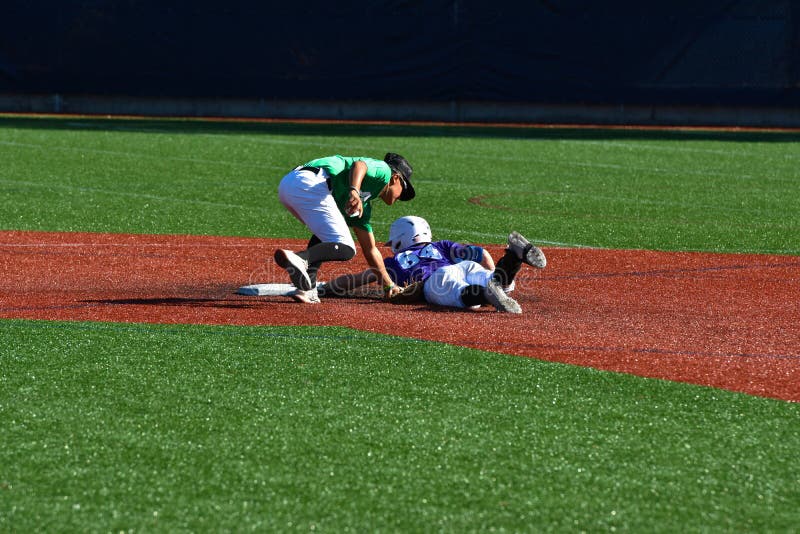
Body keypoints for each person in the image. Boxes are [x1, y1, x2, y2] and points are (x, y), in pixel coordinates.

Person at [296, 215, 547, 313]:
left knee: (465, 299)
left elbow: (357, 279)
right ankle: (513, 259)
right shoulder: (442, 246)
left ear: (400, 240)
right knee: (496, 281)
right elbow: (480, 254)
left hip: (435, 282)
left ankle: (487, 292)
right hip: (462, 267)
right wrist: (491, 271)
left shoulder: (394, 262)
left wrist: (325, 288)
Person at [274, 153, 415, 303]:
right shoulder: (385, 172)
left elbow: (370, 249)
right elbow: (360, 165)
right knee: (347, 248)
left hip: (290, 185)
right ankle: (300, 259)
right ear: (395, 178)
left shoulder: (362, 204)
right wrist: (354, 190)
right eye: (404, 189)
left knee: (327, 235)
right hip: (312, 184)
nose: (401, 197)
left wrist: (389, 286)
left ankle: (306, 289)